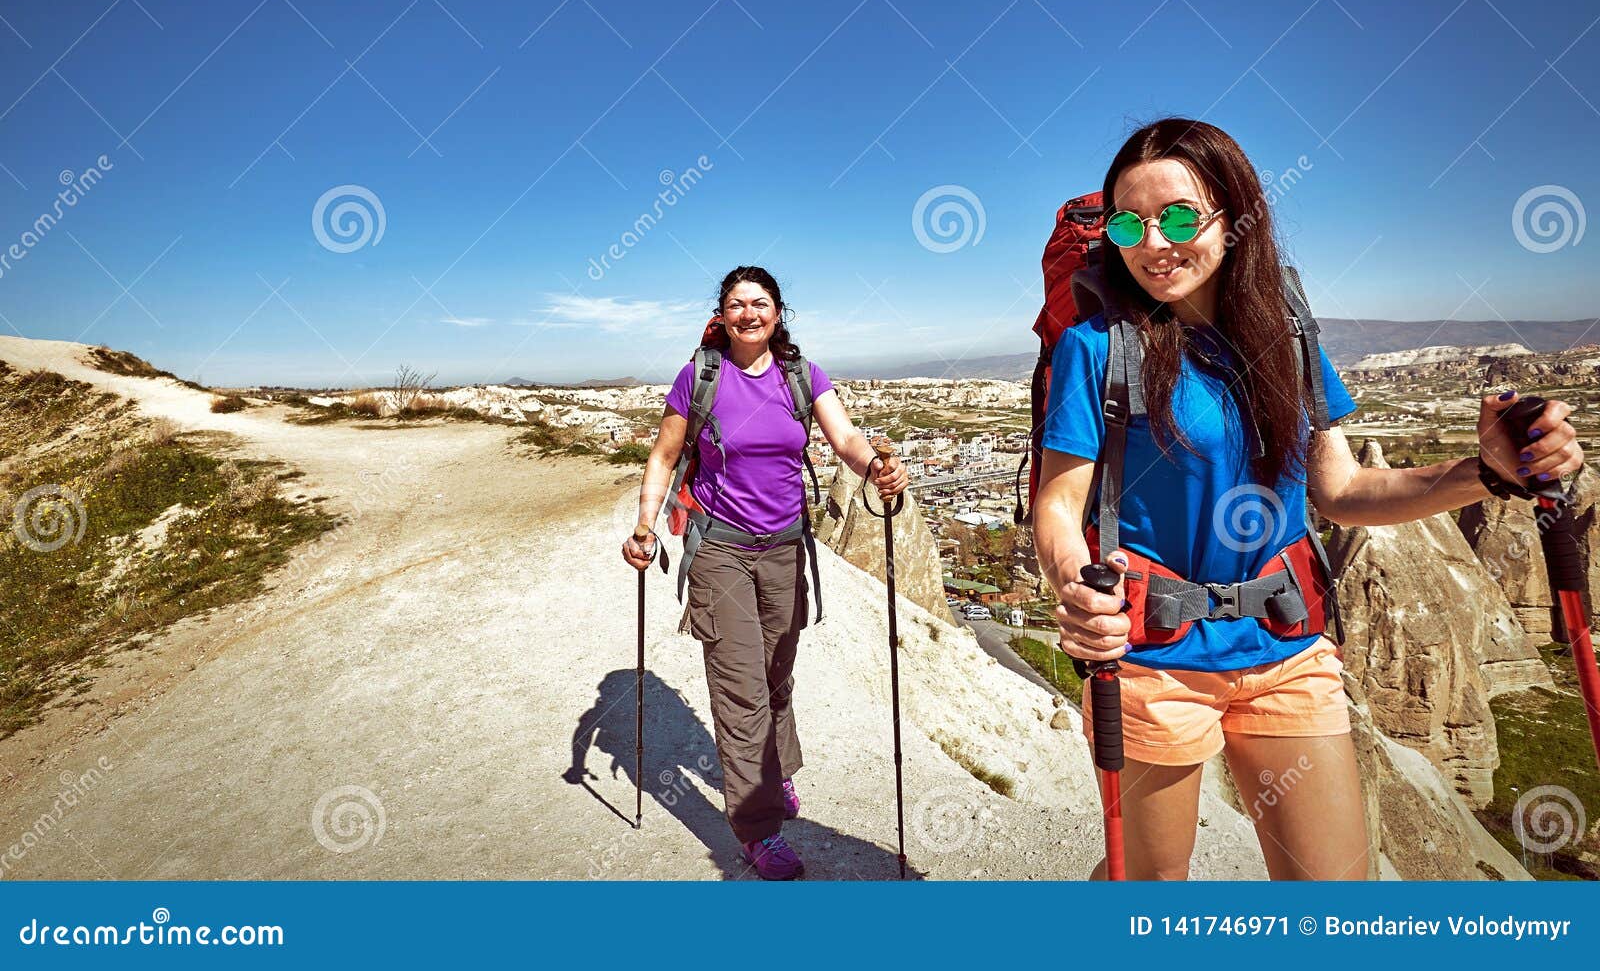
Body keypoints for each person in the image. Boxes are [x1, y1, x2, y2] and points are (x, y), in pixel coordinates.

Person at [1033, 118, 1586, 880]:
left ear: (1233, 216)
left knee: (1335, 894)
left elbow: (1345, 489)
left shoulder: (1286, 335)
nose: (1155, 242)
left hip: (1286, 650)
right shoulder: (1096, 348)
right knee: (1148, 888)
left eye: (1182, 216)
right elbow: (1059, 504)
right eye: (1131, 222)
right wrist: (1074, 582)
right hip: (1153, 654)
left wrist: (1484, 474)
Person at [622, 265, 908, 879]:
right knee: (741, 688)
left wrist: (878, 465)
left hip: (784, 549)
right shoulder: (700, 377)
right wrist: (646, 526)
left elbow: (845, 437)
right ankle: (756, 829)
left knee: (778, 676)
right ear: (721, 315)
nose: (748, 314)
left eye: (760, 303)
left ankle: (773, 778)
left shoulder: (802, 376)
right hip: (720, 551)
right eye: (736, 305)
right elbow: (664, 456)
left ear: (779, 312)